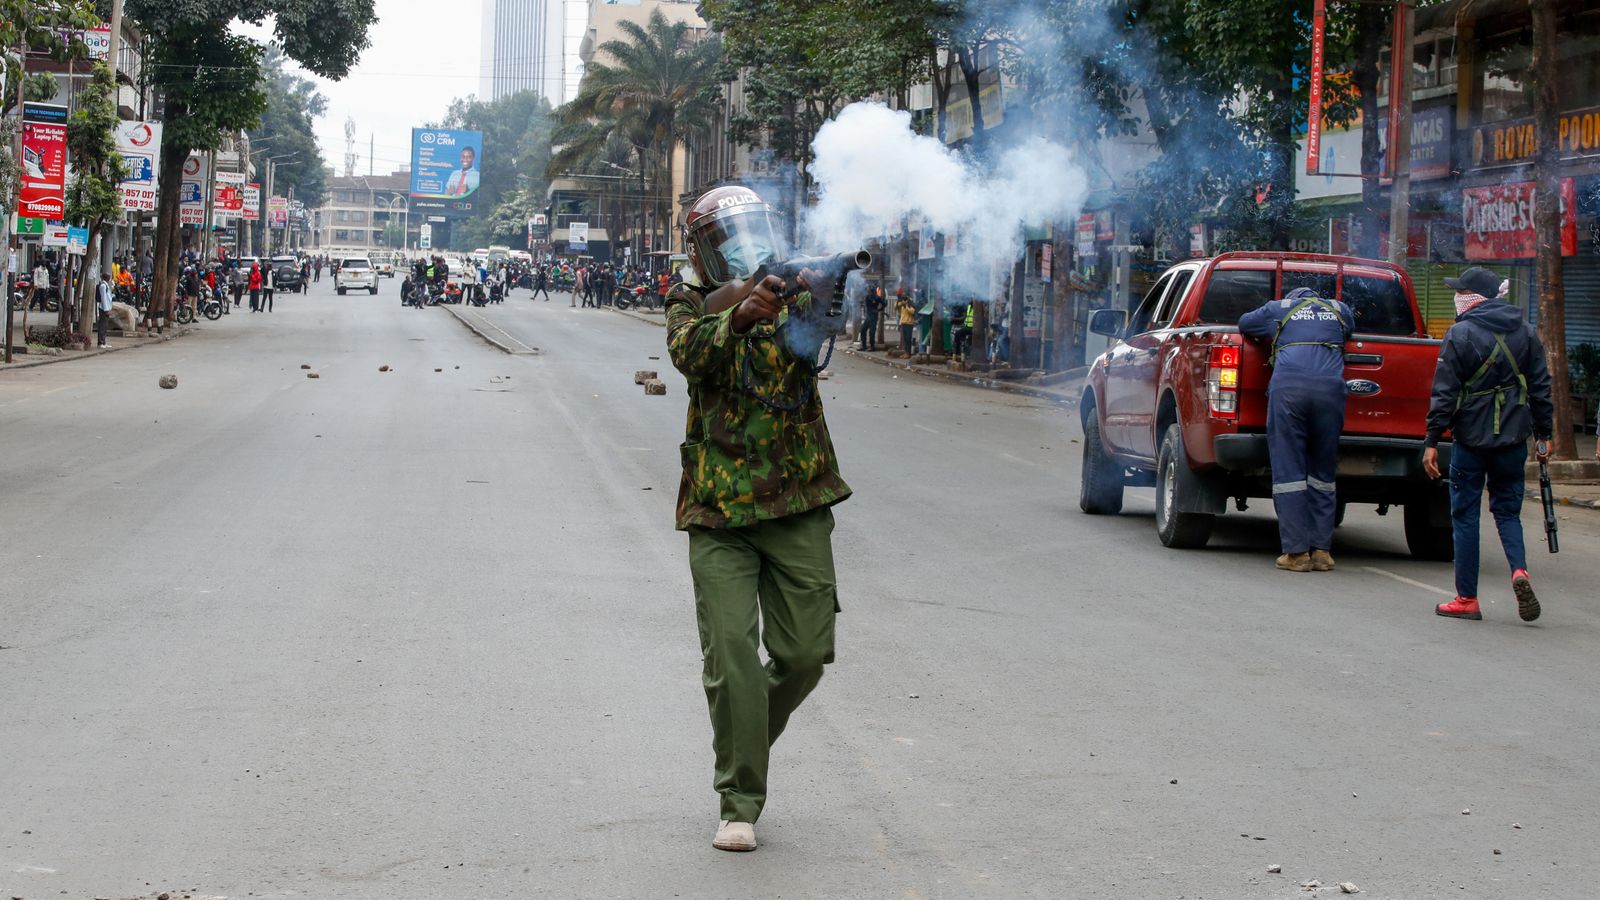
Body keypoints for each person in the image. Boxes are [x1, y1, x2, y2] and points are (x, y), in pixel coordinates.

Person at [666, 186, 851, 853]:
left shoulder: (795, 281)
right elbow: (690, 354)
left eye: (746, 231)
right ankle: (738, 799)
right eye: (723, 238)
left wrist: (826, 287)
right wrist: (741, 314)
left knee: (805, 654)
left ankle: (747, 740)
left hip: (797, 500)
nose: (739, 245)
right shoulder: (688, 296)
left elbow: (830, 324)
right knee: (733, 658)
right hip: (718, 508)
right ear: (701, 250)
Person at [1423, 266, 1554, 623]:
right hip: (1514, 438)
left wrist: (1432, 440)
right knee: (1508, 512)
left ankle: (1467, 599)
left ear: (1473, 297)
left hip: (1470, 439)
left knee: (1465, 515)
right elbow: (1541, 387)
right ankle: (1519, 572)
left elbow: (1445, 393)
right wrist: (1545, 435)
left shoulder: (1460, 334)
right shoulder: (1525, 332)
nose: (1455, 296)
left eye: (1460, 290)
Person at [1239, 286, 1355, 573]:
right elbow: (1348, 333)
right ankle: (1322, 552)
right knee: (1323, 472)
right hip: (1331, 392)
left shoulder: (1278, 309)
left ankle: (1296, 553)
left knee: (1289, 472)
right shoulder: (1340, 310)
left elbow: (1245, 324)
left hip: (1290, 390)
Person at [95, 268, 113, 348]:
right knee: (102, 326)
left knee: (105, 326)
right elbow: (104, 299)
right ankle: (100, 342)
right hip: (103, 308)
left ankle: (104, 341)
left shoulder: (106, 285)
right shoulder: (103, 286)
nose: (109, 278)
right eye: (108, 277)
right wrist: (106, 310)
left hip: (106, 308)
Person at [895, 288, 917, 355]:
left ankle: (908, 353)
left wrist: (906, 306)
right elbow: (896, 307)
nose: (903, 297)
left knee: (908, 339)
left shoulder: (910, 302)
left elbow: (912, 311)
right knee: (905, 339)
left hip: (909, 323)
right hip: (903, 322)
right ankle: (906, 352)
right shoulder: (902, 302)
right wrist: (900, 302)